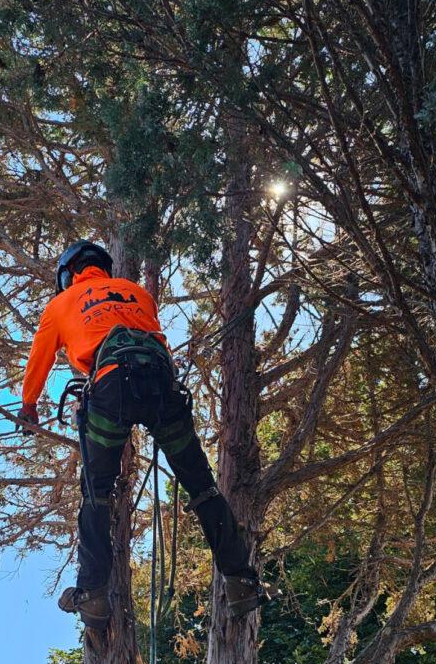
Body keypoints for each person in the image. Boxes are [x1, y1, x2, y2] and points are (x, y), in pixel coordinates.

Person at [18, 239, 270, 630]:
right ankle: (241, 580)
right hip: (161, 389)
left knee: (97, 493)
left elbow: (41, 355)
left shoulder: (60, 304)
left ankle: (94, 594)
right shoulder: (138, 293)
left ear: (69, 274)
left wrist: (29, 404)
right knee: (201, 485)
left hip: (110, 387)